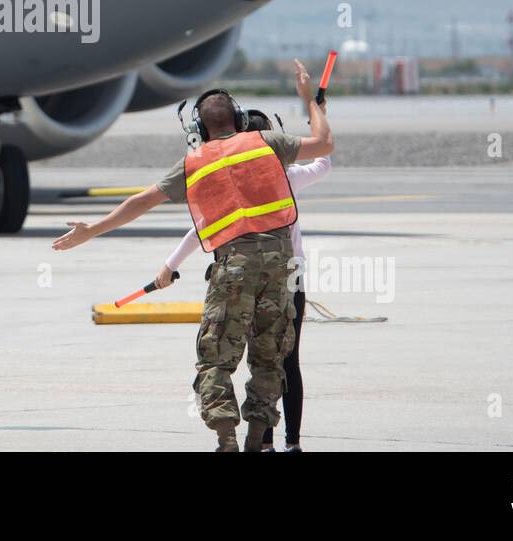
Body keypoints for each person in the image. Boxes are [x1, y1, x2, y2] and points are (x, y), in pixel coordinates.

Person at [53, 59, 333, 451]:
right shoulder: (267, 144)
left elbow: (141, 202)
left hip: (233, 268)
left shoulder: (193, 164)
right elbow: (324, 148)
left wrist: (92, 231)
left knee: (216, 359)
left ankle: (226, 440)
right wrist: (311, 103)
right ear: (238, 118)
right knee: (270, 360)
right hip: (282, 269)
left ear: (198, 130)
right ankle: (259, 440)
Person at [154, 103, 330, 452]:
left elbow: (199, 229)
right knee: (278, 361)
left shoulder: (234, 177)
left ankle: (239, 440)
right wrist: (317, 111)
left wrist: (169, 266)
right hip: (287, 281)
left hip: (241, 278)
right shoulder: (288, 175)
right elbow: (323, 159)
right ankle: (282, 441)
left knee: (222, 357)